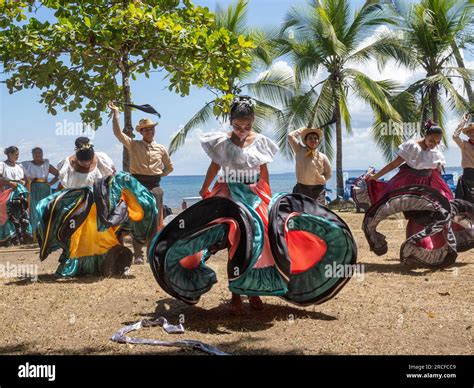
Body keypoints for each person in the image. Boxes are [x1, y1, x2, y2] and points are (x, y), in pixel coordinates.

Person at [199, 95, 279, 314]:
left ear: (253, 121)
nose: (242, 129)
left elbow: (264, 172)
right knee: (236, 239)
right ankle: (235, 293)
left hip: (253, 193)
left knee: (259, 238)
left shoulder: (261, 141)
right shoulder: (223, 142)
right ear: (230, 121)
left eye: (247, 125)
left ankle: (253, 291)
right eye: (237, 125)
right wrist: (205, 187)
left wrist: (267, 196)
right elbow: (215, 167)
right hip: (230, 192)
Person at [108, 101, 173, 265]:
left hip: (155, 186)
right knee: (137, 218)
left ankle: (151, 253)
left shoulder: (161, 148)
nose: (149, 131)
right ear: (141, 132)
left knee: (155, 220)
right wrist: (115, 113)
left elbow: (169, 167)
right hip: (137, 186)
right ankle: (138, 255)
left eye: (151, 129)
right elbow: (117, 134)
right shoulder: (133, 144)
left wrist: (158, 175)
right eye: (146, 129)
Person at [367, 120, 452, 202]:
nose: (434, 144)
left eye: (438, 141)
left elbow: (437, 169)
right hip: (411, 184)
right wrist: (375, 177)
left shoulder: (437, 148)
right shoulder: (412, 146)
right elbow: (394, 164)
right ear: (425, 135)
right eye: (431, 141)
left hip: (428, 183)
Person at [288, 127, 332, 204]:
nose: (313, 140)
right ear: (305, 141)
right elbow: (290, 136)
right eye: (310, 138)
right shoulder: (299, 150)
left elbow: (329, 174)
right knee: (300, 214)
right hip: (301, 189)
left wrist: (322, 179)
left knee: (318, 214)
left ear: (318, 142)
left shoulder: (323, 157)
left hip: (318, 191)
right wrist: (302, 129)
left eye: (315, 138)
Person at [21, 147, 59, 232]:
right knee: (33, 210)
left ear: (42, 154)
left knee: (45, 208)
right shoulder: (27, 164)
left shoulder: (46, 164)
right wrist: (27, 181)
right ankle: (34, 232)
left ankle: (45, 231)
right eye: (35, 153)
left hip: (45, 189)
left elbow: (58, 174)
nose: (38, 154)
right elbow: (21, 175)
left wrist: (50, 183)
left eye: (39, 152)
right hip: (33, 189)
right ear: (32, 155)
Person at [0, 146, 32, 245]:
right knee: (8, 212)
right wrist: (9, 183)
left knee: (22, 212)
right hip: (7, 191)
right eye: (16, 154)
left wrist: (23, 182)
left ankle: (22, 237)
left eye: (18, 154)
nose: (18, 156)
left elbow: (27, 178)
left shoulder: (20, 166)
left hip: (19, 191)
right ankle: (9, 238)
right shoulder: (2, 165)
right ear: (9, 154)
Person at [453, 113, 474, 202]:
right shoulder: (464, 144)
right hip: (468, 175)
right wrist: (463, 122)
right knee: (463, 202)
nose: (472, 133)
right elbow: (455, 136)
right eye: (470, 132)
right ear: (468, 134)